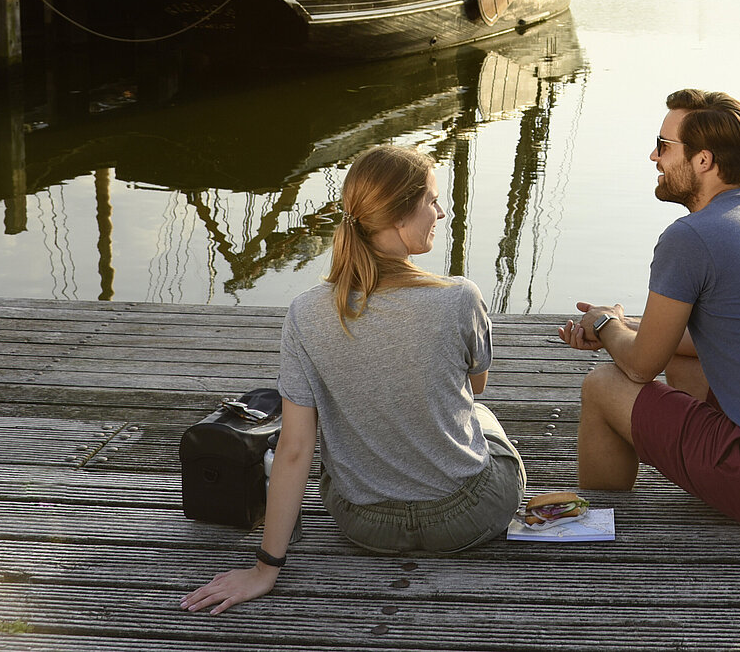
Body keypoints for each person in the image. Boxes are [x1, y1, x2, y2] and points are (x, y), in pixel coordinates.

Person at [184, 145, 524, 615]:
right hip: (466, 517)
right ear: (400, 215)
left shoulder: (305, 312)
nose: (441, 213)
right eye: (432, 201)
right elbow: (477, 385)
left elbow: (295, 448)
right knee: (481, 417)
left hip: (365, 524)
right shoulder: (460, 297)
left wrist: (265, 569)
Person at [558, 89, 740, 532]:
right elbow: (708, 337)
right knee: (680, 357)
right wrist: (625, 327)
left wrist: (603, 323)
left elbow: (639, 366)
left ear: (703, 160)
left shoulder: (690, 237)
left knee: (602, 386)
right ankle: (706, 468)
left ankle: (595, 526)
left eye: (663, 146)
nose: (653, 157)